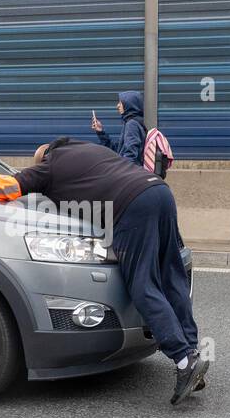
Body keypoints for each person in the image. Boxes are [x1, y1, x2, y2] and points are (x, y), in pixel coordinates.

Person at [14, 137, 207, 403]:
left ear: (45, 157)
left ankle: (184, 359)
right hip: (160, 191)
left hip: (133, 207)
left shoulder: (49, 166)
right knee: (172, 278)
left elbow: (13, 185)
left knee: (143, 285)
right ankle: (193, 352)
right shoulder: (91, 149)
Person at [91, 90, 147, 165]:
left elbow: (130, 154)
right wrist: (100, 132)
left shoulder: (132, 124)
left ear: (129, 104)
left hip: (129, 173)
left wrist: (122, 172)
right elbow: (117, 150)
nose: (117, 106)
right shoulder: (131, 122)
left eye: (121, 103)